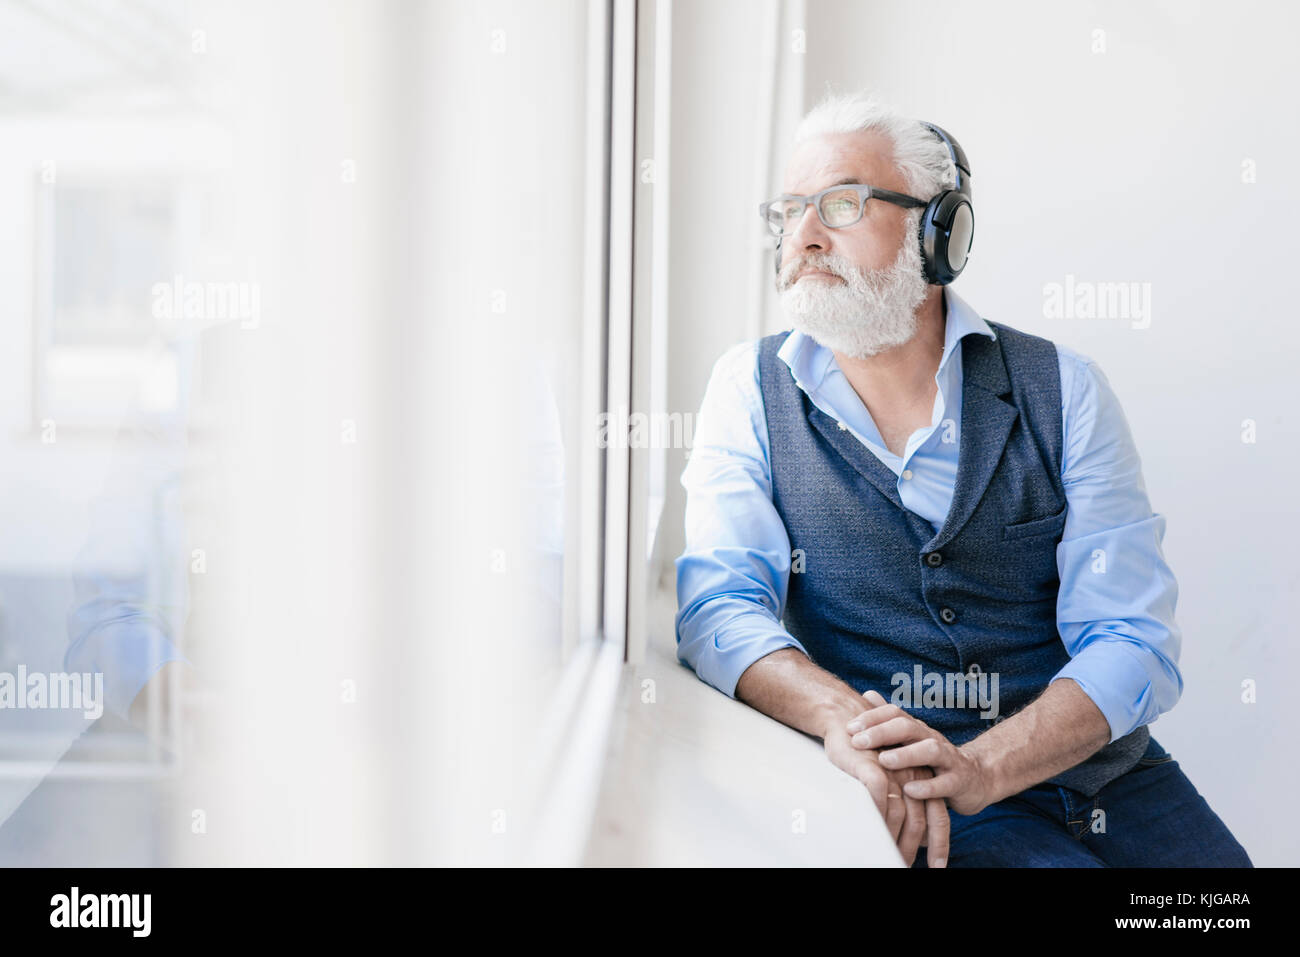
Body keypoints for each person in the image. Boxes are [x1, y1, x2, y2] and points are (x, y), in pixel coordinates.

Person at [673, 91, 1251, 868]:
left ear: (938, 234)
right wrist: (849, 722)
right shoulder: (745, 391)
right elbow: (719, 609)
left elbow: (1134, 636)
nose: (802, 238)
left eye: (840, 205)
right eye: (788, 212)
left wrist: (989, 763)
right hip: (930, 798)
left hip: (1110, 778)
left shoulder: (1067, 390)